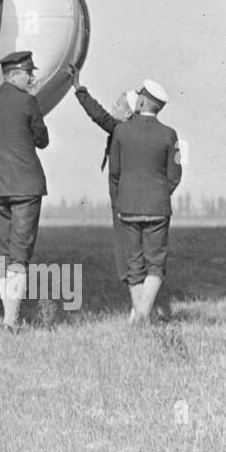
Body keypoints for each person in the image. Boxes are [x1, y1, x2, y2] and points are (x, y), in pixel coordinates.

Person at [0, 51, 48, 332]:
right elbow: (43, 140)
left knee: (2, 251)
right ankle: (11, 319)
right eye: (29, 73)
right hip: (26, 185)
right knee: (20, 252)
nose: (32, 77)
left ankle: (8, 314)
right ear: (15, 74)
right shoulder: (28, 101)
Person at [68, 64, 146, 310]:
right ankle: (142, 303)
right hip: (138, 199)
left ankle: (140, 307)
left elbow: (99, 116)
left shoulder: (121, 129)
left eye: (118, 105)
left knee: (128, 253)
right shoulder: (136, 131)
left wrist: (79, 90)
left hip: (124, 201)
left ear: (129, 113)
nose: (113, 108)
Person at [109, 80, 183, 325]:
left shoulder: (121, 132)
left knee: (134, 263)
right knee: (155, 264)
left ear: (140, 101)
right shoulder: (169, 134)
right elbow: (175, 175)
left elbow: (115, 171)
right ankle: (142, 315)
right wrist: (161, 192)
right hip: (157, 207)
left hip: (128, 206)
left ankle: (139, 315)